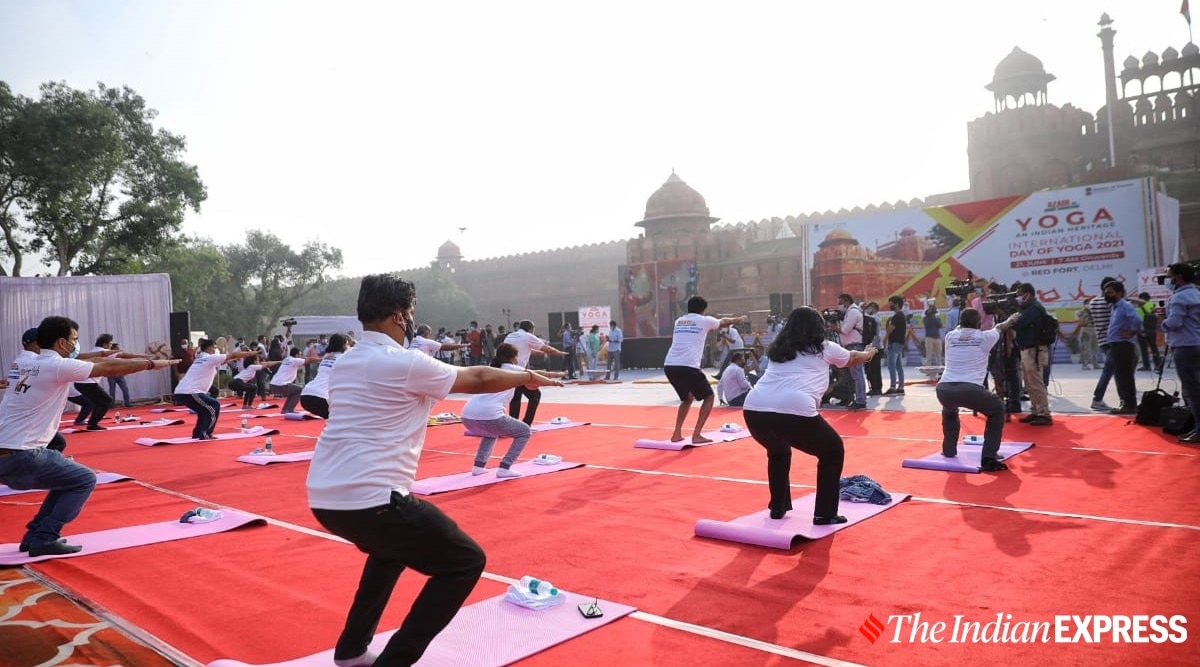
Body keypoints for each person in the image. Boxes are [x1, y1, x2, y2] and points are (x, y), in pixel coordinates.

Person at [306, 273, 562, 667]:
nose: (411, 320)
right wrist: (527, 376)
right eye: (410, 313)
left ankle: (351, 650)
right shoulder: (400, 361)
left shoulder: (347, 361)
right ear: (397, 315)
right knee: (464, 562)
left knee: (387, 552)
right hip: (372, 498)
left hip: (324, 496)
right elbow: (476, 377)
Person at [0, 316, 178, 556]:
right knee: (83, 479)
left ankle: (35, 535)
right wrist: (151, 364)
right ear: (62, 342)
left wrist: (124, 357)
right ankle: (43, 537)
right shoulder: (56, 366)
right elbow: (109, 368)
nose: (77, 344)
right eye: (74, 339)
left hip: (8, 453)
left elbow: (94, 359)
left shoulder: (24, 362)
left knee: (64, 478)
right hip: (23, 454)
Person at [742, 307, 877, 523]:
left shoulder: (778, 349)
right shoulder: (823, 347)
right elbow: (851, 358)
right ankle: (825, 513)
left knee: (778, 452)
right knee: (832, 451)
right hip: (793, 408)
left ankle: (778, 507)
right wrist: (869, 353)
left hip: (755, 409)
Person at [936, 307, 1021, 471]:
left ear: (960, 322)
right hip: (970, 390)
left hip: (944, 389)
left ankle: (948, 450)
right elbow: (1000, 327)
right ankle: (989, 457)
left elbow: (961, 330)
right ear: (979, 323)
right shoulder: (985, 337)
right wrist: (1010, 320)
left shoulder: (950, 336)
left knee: (949, 411)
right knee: (997, 409)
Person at [463, 342, 564, 477]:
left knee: (490, 433)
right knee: (524, 431)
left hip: (467, 416)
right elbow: (534, 375)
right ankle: (505, 467)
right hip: (489, 415)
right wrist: (554, 382)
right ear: (513, 357)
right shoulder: (512, 369)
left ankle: (478, 466)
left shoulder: (491, 368)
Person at [663, 296, 747, 443]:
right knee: (709, 397)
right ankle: (696, 435)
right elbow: (723, 322)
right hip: (688, 365)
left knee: (687, 399)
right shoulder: (704, 320)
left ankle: (676, 434)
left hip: (670, 365)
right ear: (703, 310)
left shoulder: (679, 321)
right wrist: (737, 319)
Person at [174, 339, 257, 440]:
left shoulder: (200, 358)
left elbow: (226, 360)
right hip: (191, 392)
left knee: (204, 411)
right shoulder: (210, 358)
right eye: (214, 347)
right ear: (209, 348)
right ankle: (206, 434)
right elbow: (233, 356)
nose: (215, 349)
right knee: (214, 405)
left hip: (181, 392)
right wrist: (253, 353)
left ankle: (198, 433)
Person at [1160, 262, 1200, 443]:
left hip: (1184, 346)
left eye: (1169, 276)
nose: (1167, 280)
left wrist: (1163, 323)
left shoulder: (1179, 298)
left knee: (1192, 390)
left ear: (1179, 277)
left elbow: (1175, 323)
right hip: (1196, 342)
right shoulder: (1196, 294)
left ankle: (1198, 429)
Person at [504, 320, 568, 426]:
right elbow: (547, 348)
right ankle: (525, 424)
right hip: (519, 372)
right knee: (534, 395)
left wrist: (540, 353)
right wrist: (560, 353)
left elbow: (525, 349)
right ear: (530, 329)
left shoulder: (511, 336)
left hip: (507, 370)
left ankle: (514, 424)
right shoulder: (528, 336)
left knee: (516, 398)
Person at [1011, 283, 1053, 426]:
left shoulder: (1034, 308)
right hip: (1027, 349)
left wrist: (1007, 314)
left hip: (1034, 350)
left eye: (1019, 294)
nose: (1017, 298)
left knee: (1036, 383)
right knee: (1029, 384)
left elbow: (1018, 324)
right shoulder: (1028, 308)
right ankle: (1036, 411)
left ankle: (1044, 414)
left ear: (1027, 294)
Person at [1102, 280, 1141, 416]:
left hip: (1123, 345)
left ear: (1119, 293)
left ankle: (1130, 405)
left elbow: (1136, 320)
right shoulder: (1115, 306)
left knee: (1125, 376)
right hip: (1116, 345)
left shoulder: (1125, 305)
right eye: (1105, 293)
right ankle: (1125, 403)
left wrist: (1131, 332)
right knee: (1120, 375)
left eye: (1110, 293)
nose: (1107, 295)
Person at [300, 333, 350, 419]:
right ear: (343, 345)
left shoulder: (327, 356)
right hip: (320, 397)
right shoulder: (345, 357)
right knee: (343, 418)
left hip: (305, 395)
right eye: (347, 343)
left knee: (334, 418)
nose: (348, 346)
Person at [1089, 277, 1119, 411]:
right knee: (1108, 371)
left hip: (1101, 339)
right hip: (1112, 340)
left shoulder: (1093, 302)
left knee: (1114, 370)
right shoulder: (1109, 303)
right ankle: (1097, 398)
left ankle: (1123, 397)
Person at [837, 293, 868, 410]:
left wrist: (836, 328)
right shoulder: (851, 312)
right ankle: (859, 398)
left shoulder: (853, 312)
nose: (839, 306)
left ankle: (861, 400)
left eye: (840, 303)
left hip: (854, 346)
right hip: (851, 346)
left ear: (846, 301)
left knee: (857, 374)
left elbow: (845, 330)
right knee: (855, 374)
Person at [269, 347, 322, 414]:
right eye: (300, 355)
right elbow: (309, 360)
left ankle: (285, 409)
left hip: (273, 384)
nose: (301, 356)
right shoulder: (295, 360)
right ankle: (289, 409)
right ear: (296, 355)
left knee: (294, 391)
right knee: (299, 390)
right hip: (281, 385)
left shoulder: (287, 359)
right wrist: (322, 359)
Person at [883, 296, 907, 395]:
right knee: (898, 366)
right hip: (899, 343)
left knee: (891, 365)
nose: (890, 305)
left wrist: (888, 323)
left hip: (894, 343)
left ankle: (893, 387)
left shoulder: (896, 317)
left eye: (891, 303)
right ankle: (900, 387)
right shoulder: (902, 316)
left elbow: (890, 330)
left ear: (896, 304)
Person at [1136, 292, 1163, 372]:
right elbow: (1157, 317)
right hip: (1152, 331)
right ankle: (1157, 365)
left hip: (1142, 331)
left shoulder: (1138, 308)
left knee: (1144, 349)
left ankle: (1146, 365)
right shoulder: (1153, 305)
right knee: (1154, 348)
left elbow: (1137, 320)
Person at [862, 302, 883, 396]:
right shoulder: (871, 318)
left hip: (875, 346)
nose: (868, 310)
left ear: (874, 308)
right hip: (871, 346)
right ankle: (873, 387)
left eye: (869, 308)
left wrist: (863, 313)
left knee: (874, 368)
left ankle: (876, 388)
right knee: (870, 369)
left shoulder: (876, 318)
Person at [1076, 304, 1097, 370]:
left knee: (1095, 348)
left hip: (1095, 329)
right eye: (1088, 303)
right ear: (1084, 304)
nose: (1089, 305)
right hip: (1086, 329)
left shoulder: (1095, 311)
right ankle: (1085, 365)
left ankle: (1095, 364)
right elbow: (1081, 322)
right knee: (1085, 348)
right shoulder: (1080, 312)